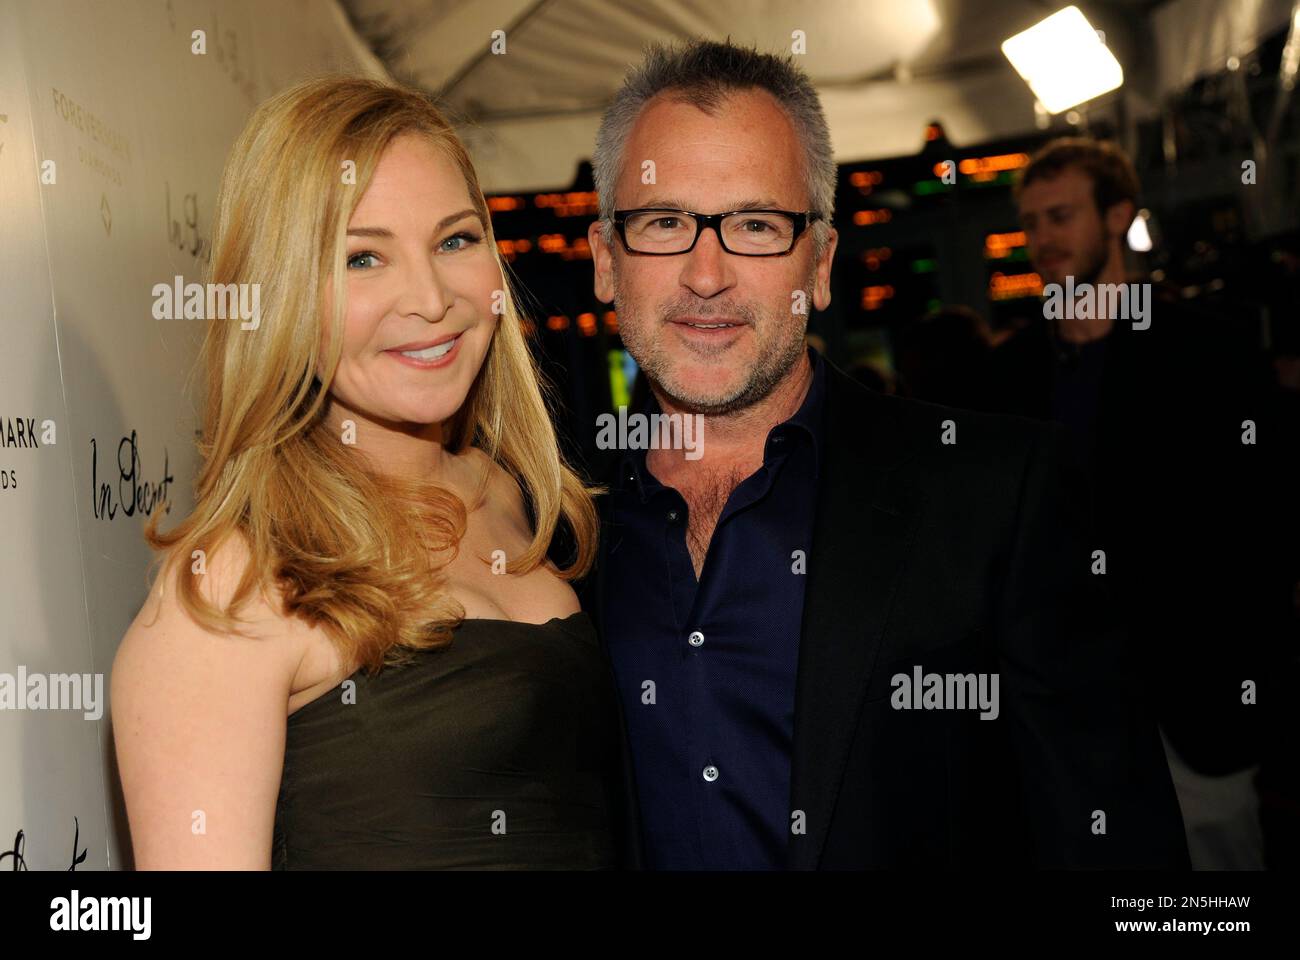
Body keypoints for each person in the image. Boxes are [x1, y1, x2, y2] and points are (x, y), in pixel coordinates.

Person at [580, 39, 1189, 869]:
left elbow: (1118, 847)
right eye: (664, 223)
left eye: (757, 225)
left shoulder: (994, 495)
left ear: (821, 265)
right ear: (607, 261)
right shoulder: (546, 522)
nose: (707, 273)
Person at [111, 76, 634, 869]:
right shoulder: (230, 588)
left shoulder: (501, 492)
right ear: (277, 293)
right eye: (362, 257)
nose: (430, 299)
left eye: (456, 240)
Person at [1006, 137, 1284, 869]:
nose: (1042, 239)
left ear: (1118, 215)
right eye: (1031, 222)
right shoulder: (1007, 376)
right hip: (1060, 709)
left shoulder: (1206, 353)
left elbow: (1264, 522)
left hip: (1193, 698)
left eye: (1060, 216)